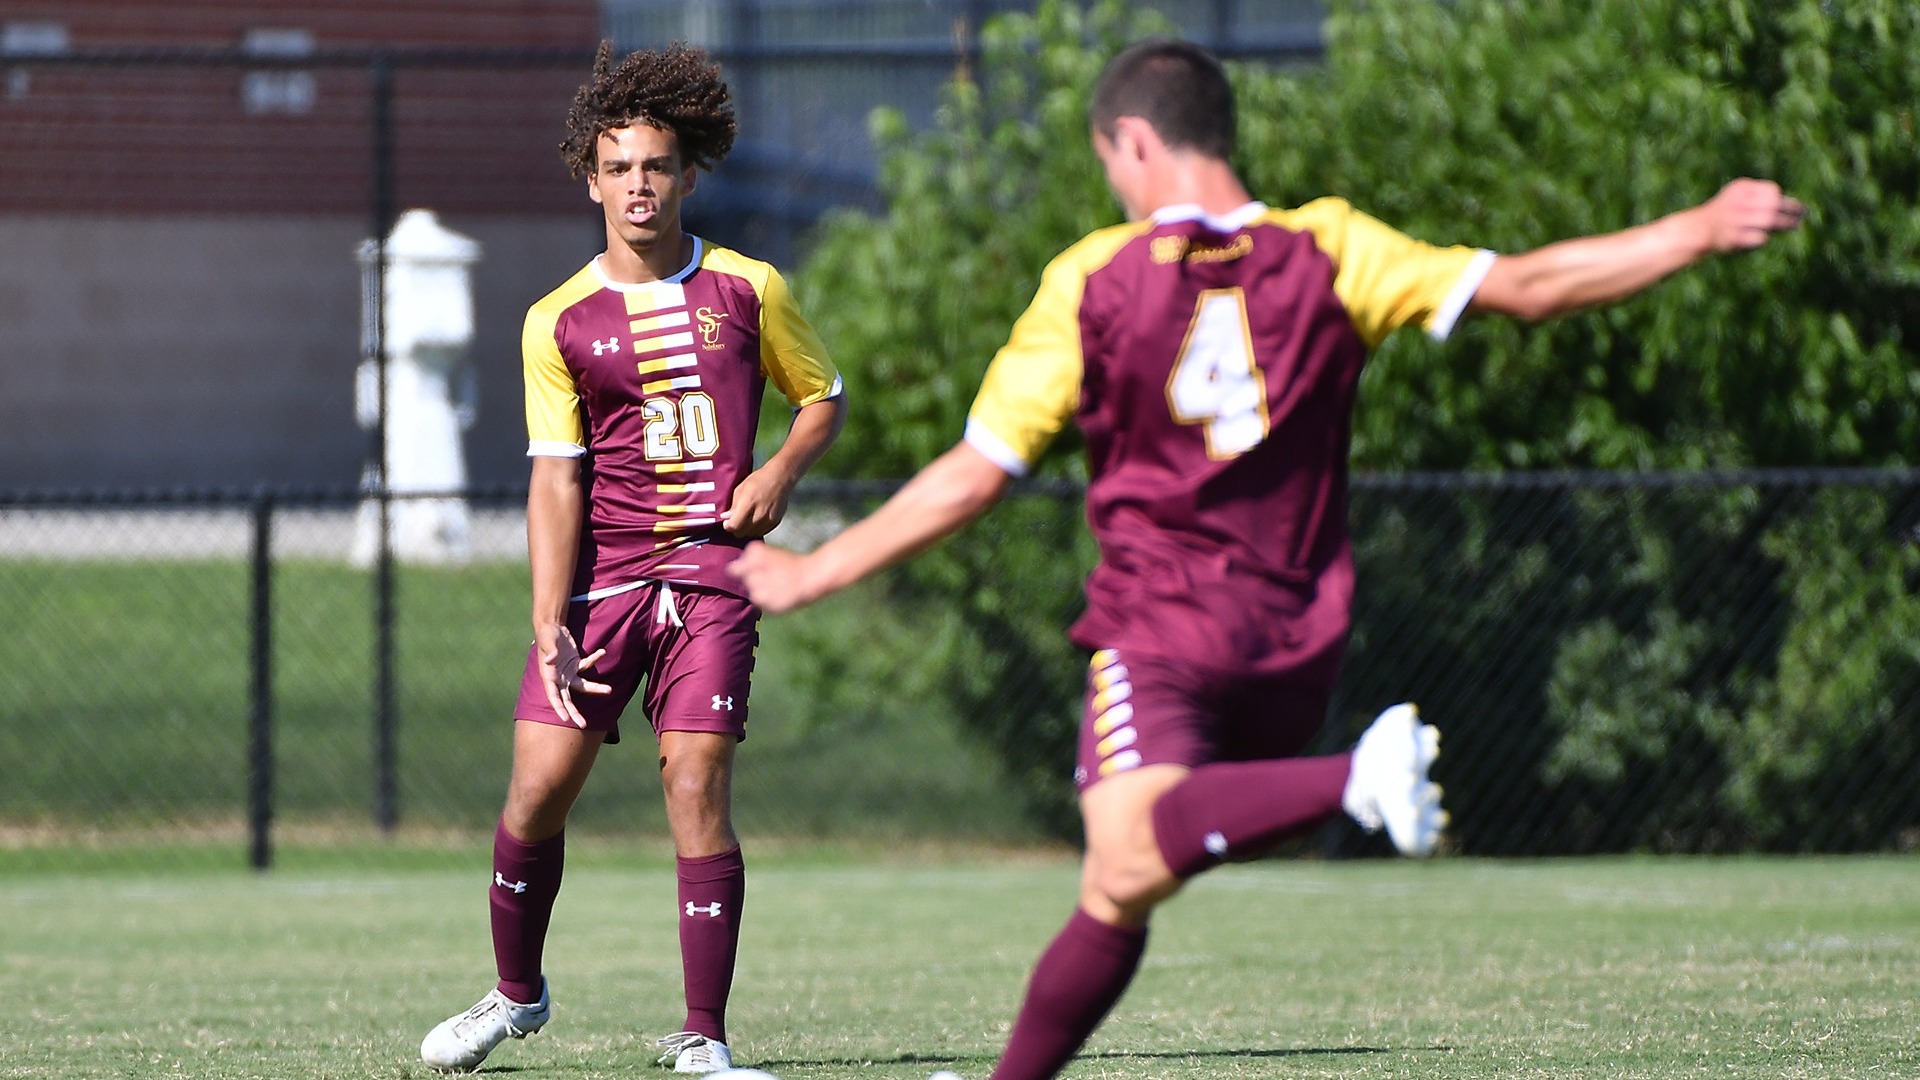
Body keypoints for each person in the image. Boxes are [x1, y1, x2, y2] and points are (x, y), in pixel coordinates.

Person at [728, 37, 1801, 1080]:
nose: (1116, 186)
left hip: (1160, 629)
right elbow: (1527, 286)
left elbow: (976, 472)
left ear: (1136, 141)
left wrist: (817, 572)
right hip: (1298, 642)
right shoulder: (1332, 248)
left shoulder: (1095, 279)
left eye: (1110, 163)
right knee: (1122, 875)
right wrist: (1696, 229)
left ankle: (1353, 780)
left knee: (1135, 846)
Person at [420, 41, 847, 1074]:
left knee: (696, 781)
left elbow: (821, 399)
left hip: (712, 571)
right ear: (592, 177)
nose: (639, 184)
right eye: (619, 167)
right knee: (536, 794)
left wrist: (781, 470)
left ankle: (705, 1038)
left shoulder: (750, 289)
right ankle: (515, 997)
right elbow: (556, 477)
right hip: (603, 580)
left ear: (689, 171)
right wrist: (547, 617)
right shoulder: (555, 321)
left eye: (656, 164)